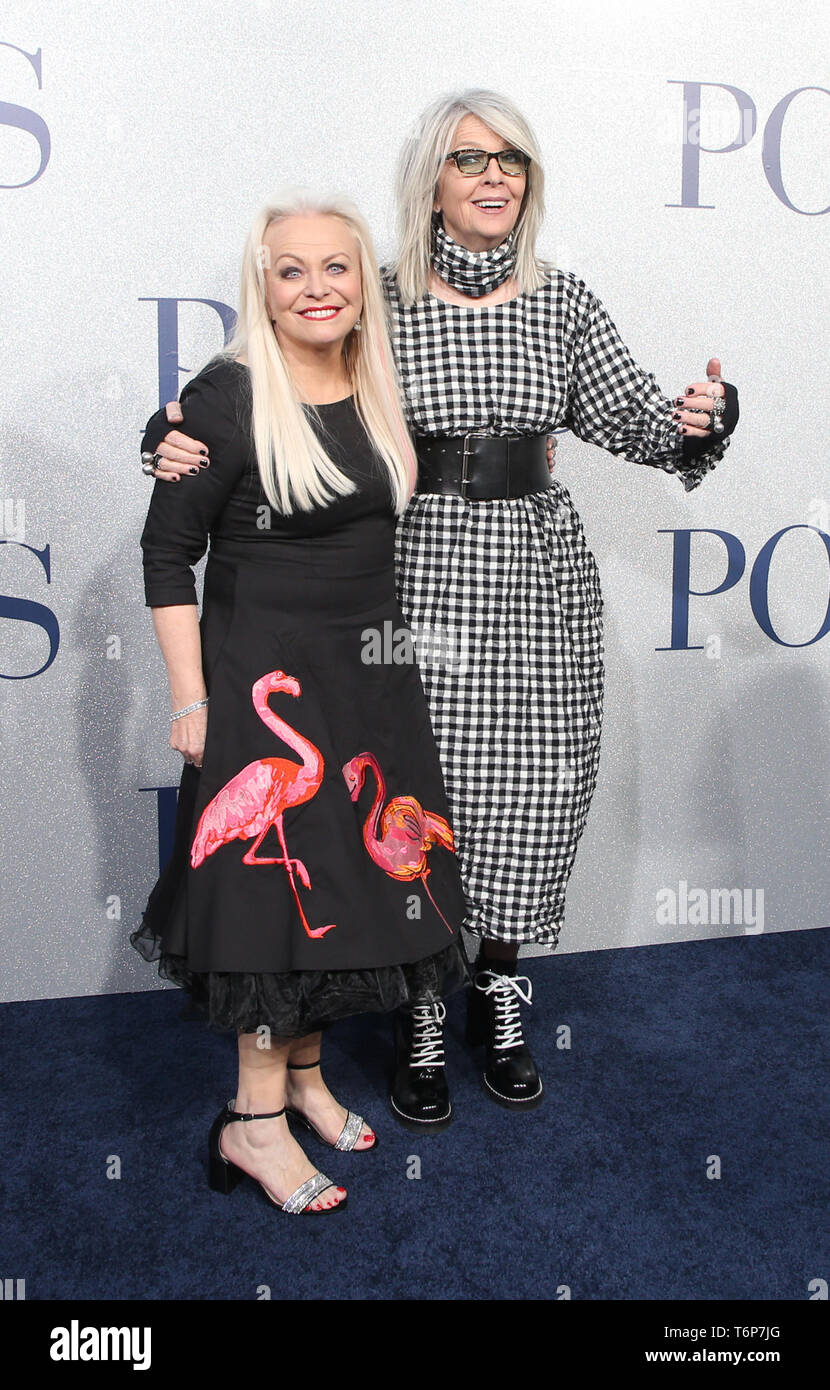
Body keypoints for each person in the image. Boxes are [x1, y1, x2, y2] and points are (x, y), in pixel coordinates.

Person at [139, 89, 740, 1128]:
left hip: (539, 575)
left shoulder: (564, 302)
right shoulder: (372, 297)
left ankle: (495, 988)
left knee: (526, 792)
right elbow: (274, 383)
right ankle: (422, 998)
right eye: (469, 160)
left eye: (510, 159)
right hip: (413, 574)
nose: (493, 176)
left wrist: (700, 417)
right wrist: (170, 432)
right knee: (423, 797)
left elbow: (641, 422)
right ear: (432, 181)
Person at [131, 193, 468, 1213]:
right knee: (272, 908)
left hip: (371, 681)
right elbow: (166, 552)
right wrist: (191, 699)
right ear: (263, 286)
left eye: (336, 266)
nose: (316, 287)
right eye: (291, 269)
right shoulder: (227, 396)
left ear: (364, 281)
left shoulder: (376, 383)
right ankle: (253, 1121)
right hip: (262, 682)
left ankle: (309, 1081)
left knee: (344, 891)